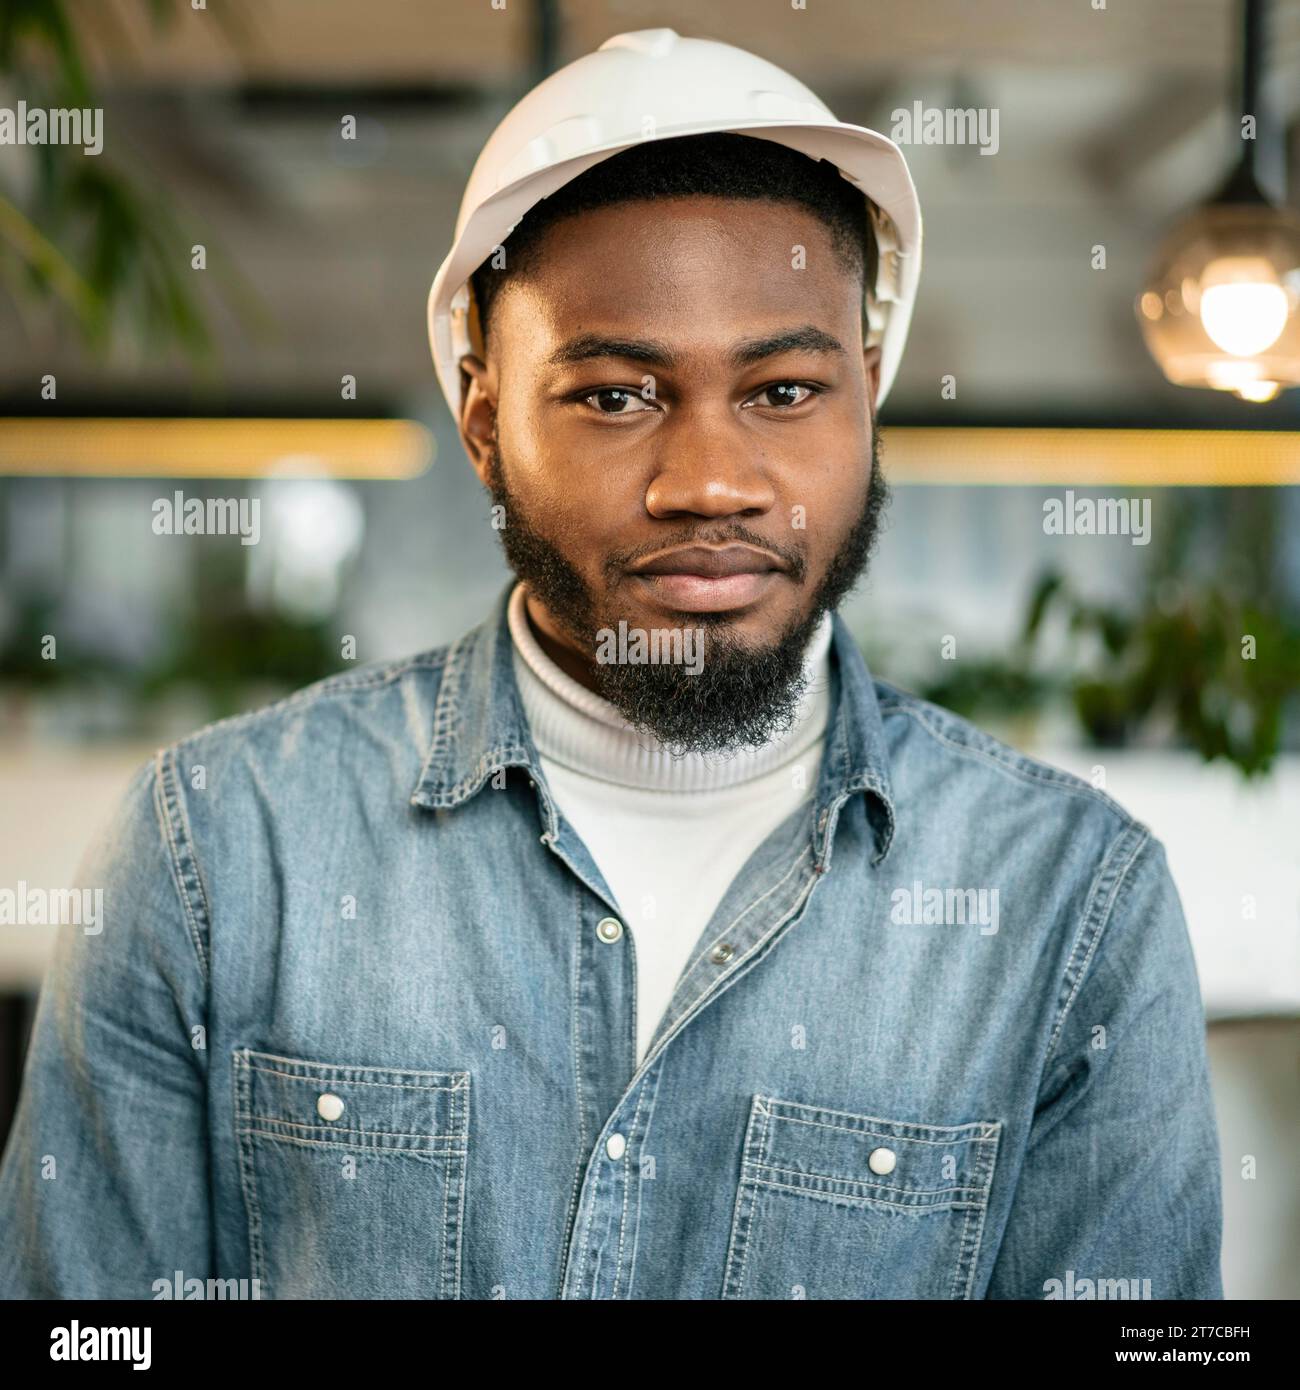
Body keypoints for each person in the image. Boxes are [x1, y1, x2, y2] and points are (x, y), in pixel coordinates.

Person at [0, 28, 1221, 1300]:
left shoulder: (1074, 904)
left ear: (868, 396)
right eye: (614, 397)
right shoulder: (219, 855)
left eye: (785, 391)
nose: (709, 483)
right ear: (484, 424)